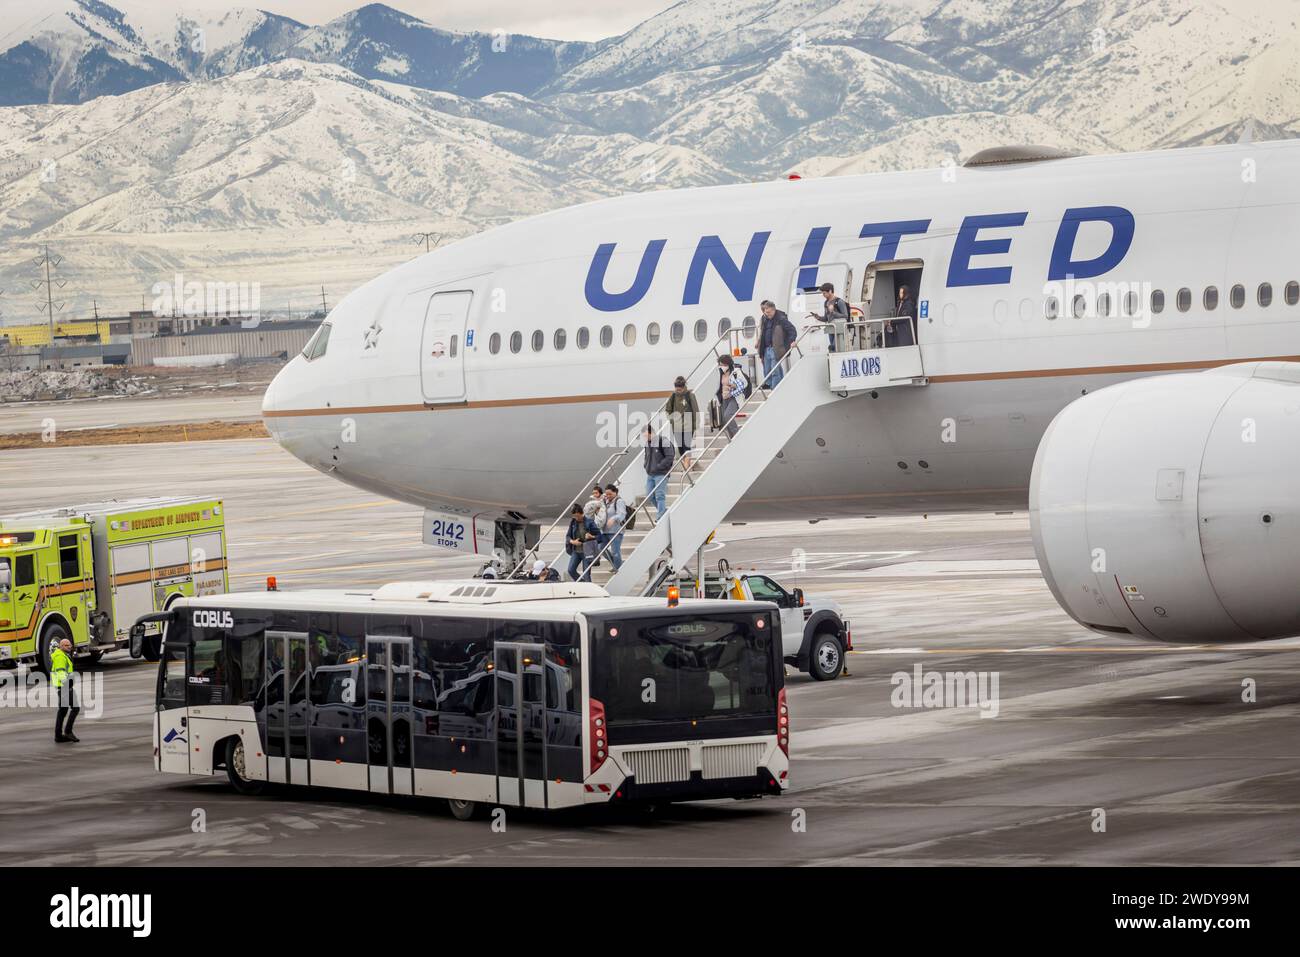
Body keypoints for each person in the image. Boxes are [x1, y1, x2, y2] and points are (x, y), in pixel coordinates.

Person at [757, 300, 798, 389]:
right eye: (765, 312)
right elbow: (763, 333)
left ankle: (775, 389)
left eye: (768, 312)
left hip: (776, 348)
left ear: (773, 310)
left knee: (775, 370)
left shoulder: (781, 319)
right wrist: (760, 346)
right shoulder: (765, 319)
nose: (766, 314)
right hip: (766, 348)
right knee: (767, 370)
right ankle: (775, 386)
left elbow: (792, 330)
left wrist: (792, 341)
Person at [663, 376, 700, 470]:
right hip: (677, 427)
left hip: (688, 426)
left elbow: (696, 410)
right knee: (680, 448)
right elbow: (668, 410)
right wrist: (672, 419)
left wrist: (696, 425)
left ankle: (686, 469)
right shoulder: (673, 396)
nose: (677, 391)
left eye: (679, 390)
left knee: (686, 447)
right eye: (676, 389)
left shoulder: (690, 395)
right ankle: (687, 465)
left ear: (683, 387)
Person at [642, 424, 674, 517]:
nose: (645, 437)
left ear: (651, 432)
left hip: (661, 473)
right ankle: (663, 511)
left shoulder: (663, 441)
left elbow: (670, 457)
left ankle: (660, 516)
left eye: (646, 435)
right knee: (650, 495)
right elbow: (646, 456)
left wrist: (659, 466)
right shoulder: (647, 443)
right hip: (650, 474)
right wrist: (646, 465)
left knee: (660, 495)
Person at [52, 638, 79, 743]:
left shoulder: (64, 655)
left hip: (63, 687)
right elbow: (60, 671)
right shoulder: (60, 656)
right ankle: (68, 731)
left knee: (62, 711)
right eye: (67, 645)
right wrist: (66, 683)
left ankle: (58, 736)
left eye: (70, 645)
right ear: (61, 646)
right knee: (75, 708)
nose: (69, 646)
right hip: (64, 687)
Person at [715, 353, 748, 439]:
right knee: (725, 420)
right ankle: (732, 439)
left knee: (728, 415)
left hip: (734, 398)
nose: (722, 366)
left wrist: (732, 387)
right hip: (724, 399)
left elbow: (744, 384)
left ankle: (737, 435)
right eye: (720, 365)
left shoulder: (736, 372)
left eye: (724, 365)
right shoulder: (719, 373)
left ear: (729, 364)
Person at [565, 504, 598, 581]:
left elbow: (599, 536)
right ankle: (583, 584)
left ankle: (589, 590)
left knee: (586, 573)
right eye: (574, 516)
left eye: (577, 516)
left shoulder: (590, 522)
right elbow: (567, 536)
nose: (576, 518)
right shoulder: (573, 522)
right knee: (571, 570)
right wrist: (573, 542)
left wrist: (592, 536)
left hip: (587, 552)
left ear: (582, 513)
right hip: (576, 551)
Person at [600, 483, 627, 572]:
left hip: (616, 531)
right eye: (606, 494)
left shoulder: (619, 501)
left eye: (610, 494)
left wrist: (613, 519)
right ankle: (617, 564)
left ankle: (618, 568)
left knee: (615, 551)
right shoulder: (605, 501)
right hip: (605, 531)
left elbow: (622, 514)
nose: (608, 496)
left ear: (615, 492)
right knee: (601, 548)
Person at [817, 282, 849, 352]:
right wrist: (818, 317)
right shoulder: (826, 303)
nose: (823, 295)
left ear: (830, 291)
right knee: (832, 348)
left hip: (839, 329)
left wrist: (833, 312)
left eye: (824, 293)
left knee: (834, 347)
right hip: (830, 329)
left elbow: (845, 316)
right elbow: (826, 318)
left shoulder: (839, 301)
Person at [886, 283, 918, 348]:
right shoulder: (900, 303)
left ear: (905, 294)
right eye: (900, 292)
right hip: (900, 331)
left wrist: (891, 321)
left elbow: (904, 318)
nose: (900, 294)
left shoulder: (909, 304)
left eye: (901, 293)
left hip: (906, 331)